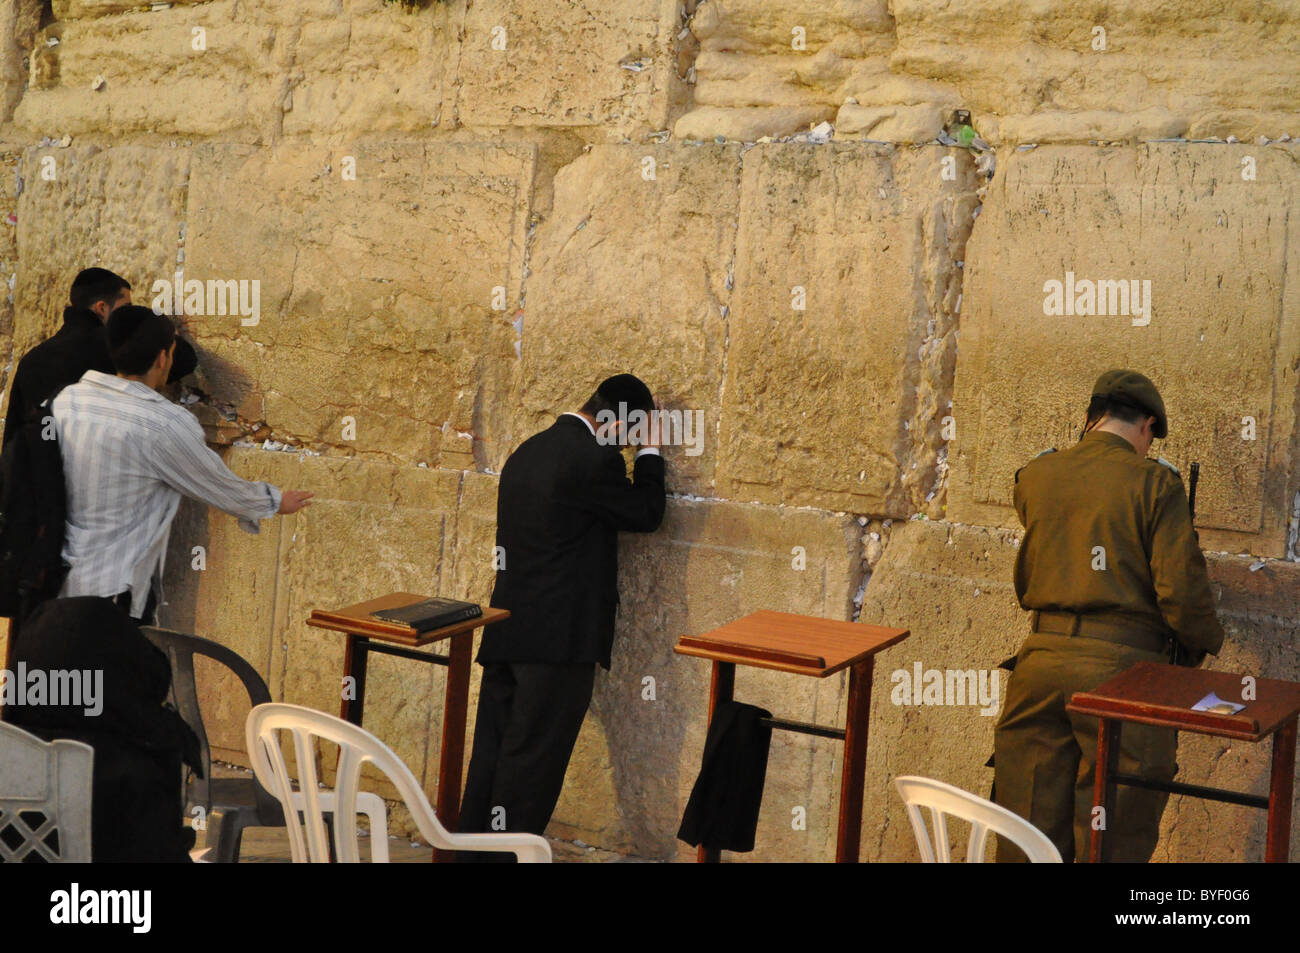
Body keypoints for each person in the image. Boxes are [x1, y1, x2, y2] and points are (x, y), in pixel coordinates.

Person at [992, 369, 1226, 862]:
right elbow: (1181, 591)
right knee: (1114, 834)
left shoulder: (1038, 474)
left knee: (1026, 829)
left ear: (1089, 418)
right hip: (1124, 679)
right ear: (1146, 426)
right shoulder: (1157, 484)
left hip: (1038, 666)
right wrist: (1197, 646)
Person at [457, 374, 667, 858]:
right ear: (619, 421)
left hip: (507, 630)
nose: (630, 445)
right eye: (633, 434)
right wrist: (651, 454)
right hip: (557, 644)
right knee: (530, 768)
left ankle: (466, 854)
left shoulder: (527, 451)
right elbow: (647, 513)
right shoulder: (593, 460)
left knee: (492, 757)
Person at [51, 305, 313, 625]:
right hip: (114, 587)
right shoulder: (164, 424)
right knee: (115, 670)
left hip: (60, 577)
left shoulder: (69, 400)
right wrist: (273, 501)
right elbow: (216, 485)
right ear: (163, 359)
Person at [3, 268, 196, 448]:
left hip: (42, 476)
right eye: (125, 308)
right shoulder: (108, 346)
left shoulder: (32, 360)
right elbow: (186, 358)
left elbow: (13, 438)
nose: (127, 317)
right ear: (102, 308)